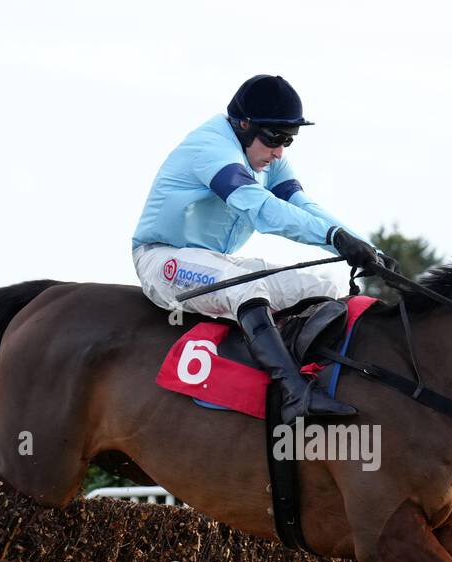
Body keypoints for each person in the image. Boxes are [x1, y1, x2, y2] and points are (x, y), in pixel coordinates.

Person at [132, 74, 388, 422]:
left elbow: (303, 207)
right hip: (163, 259)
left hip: (216, 261)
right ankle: (294, 393)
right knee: (247, 286)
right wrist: (333, 237)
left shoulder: (269, 159)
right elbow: (262, 210)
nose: (279, 151)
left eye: (288, 140)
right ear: (243, 124)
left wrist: (364, 246)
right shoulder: (212, 149)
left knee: (325, 286)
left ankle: (323, 378)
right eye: (274, 139)